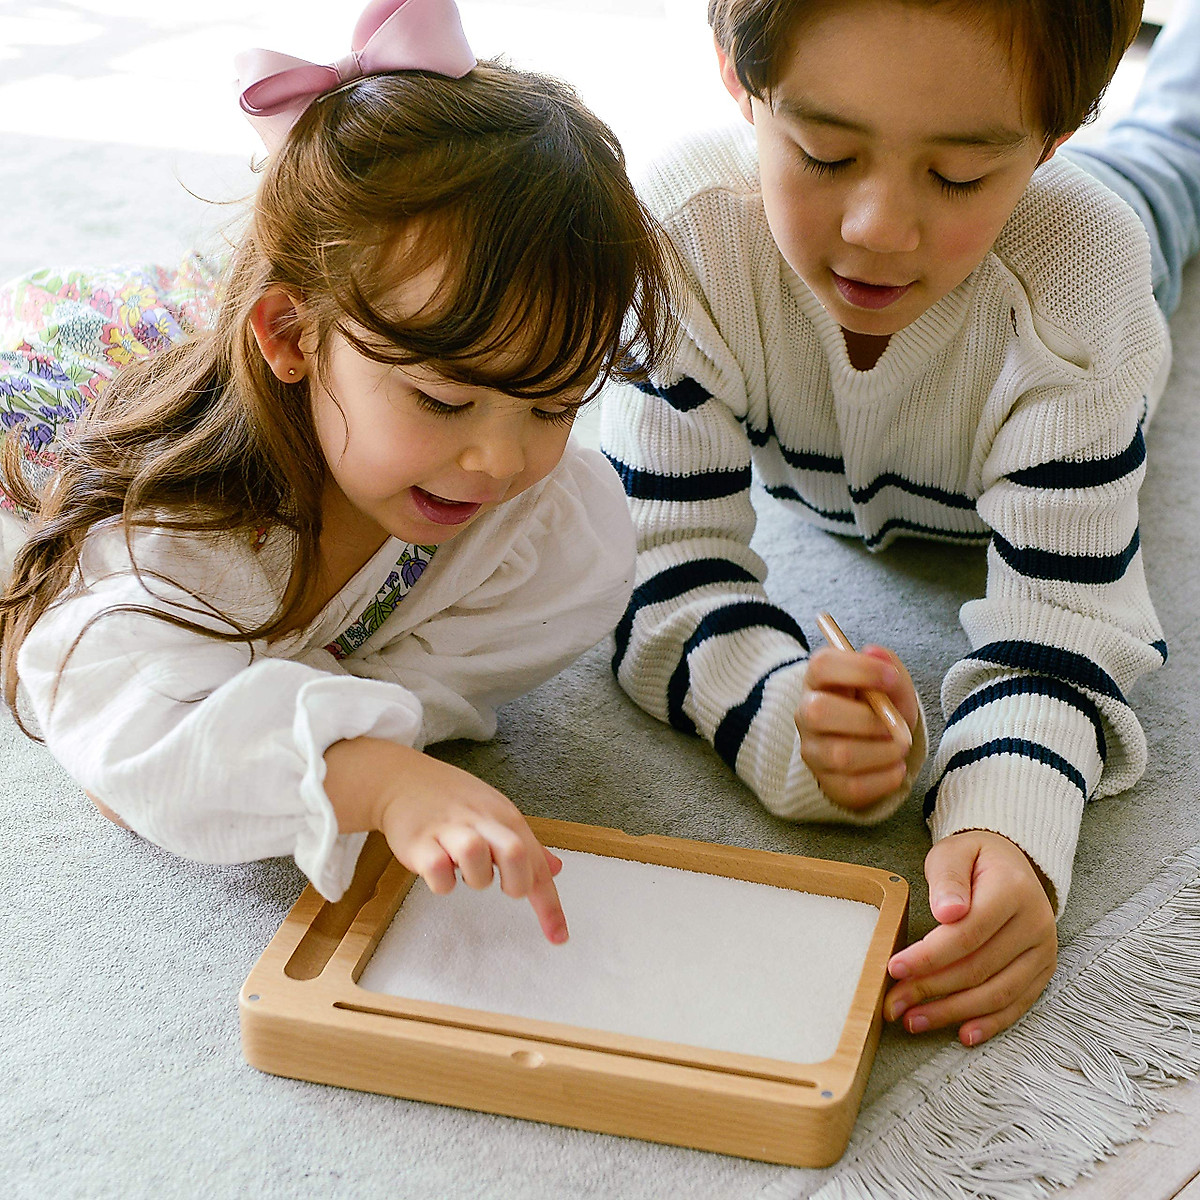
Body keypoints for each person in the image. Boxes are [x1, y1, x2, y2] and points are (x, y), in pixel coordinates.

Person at [0, 0, 675, 944]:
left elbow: (562, 580)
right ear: (291, 336)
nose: (499, 460)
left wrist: (352, 712)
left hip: (291, 346)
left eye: (553, 405)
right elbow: (125, 746)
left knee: (580, 535)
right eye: (443, 400)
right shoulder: (188, 532)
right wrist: (375, 777)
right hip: (59, 405)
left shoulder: (525, 507)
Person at [600, 0, 1200, 1044]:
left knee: (1171, 158)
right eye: (826, 154)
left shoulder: (1082, 282)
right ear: (737, 77)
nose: (877, 229)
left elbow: (1066, 624)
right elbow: (655, 565)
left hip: (1105, 233)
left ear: (1051, 141)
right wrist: (778, 710)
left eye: (959, 174)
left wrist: (1010, 825)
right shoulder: (683, 235)